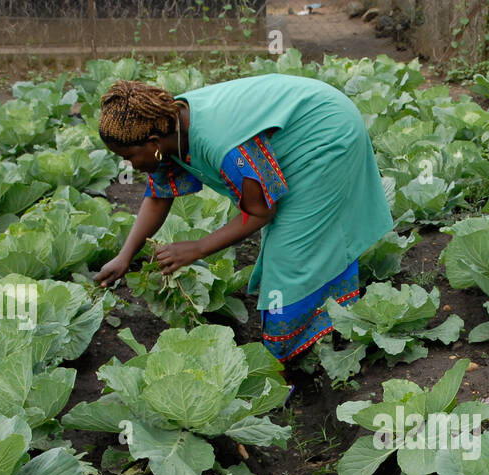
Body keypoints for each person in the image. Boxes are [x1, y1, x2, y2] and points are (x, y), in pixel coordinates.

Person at [93, 74, 394, 366]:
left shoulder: (222, 145)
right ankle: (328, 319)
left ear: (153, 142)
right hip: (306, 119)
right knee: (298, 243)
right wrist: (124, 256)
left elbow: (261, 212)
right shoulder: (169, 130)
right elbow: (159, 195)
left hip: (327, 133)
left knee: (289, 254)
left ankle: (281, 361)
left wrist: (197, 248)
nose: (127, 165)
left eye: (128, 156)